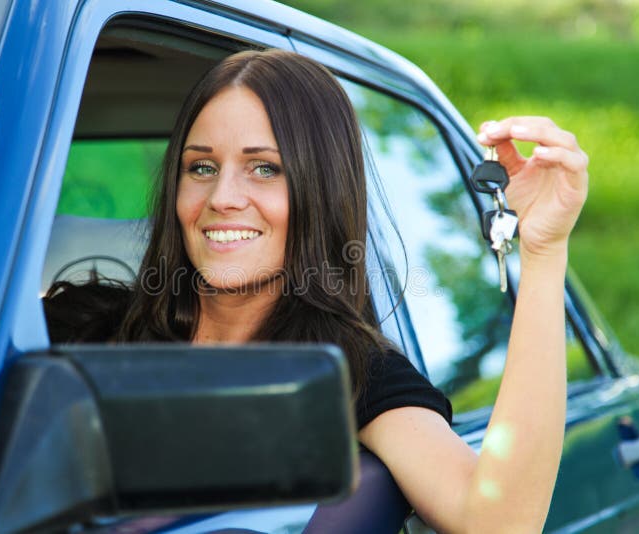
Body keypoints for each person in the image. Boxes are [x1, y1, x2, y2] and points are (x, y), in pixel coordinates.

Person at [44, 49, 588, 533]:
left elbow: (496, 522)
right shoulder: (75, 325)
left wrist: (542, 253)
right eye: (202, 167)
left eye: (264, 169)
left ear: (319, 190)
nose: (223, 197)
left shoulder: (352, 372)